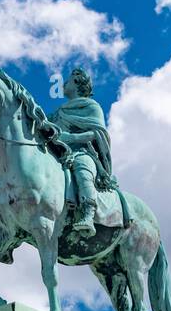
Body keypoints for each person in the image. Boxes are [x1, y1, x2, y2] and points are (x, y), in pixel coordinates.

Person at [40, 67, 118, 238]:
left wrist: (72, 138)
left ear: (76, 82)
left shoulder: (91, 106)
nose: (64, 83)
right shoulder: (59, 112)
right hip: (59, 153)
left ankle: (88, 215)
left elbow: (98, 133)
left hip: (81, 152)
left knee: (82, 168)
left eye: (67, 80)